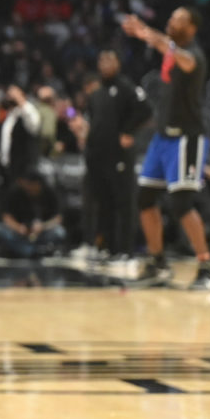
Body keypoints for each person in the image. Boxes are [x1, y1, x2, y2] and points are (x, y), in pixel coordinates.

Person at [121, 7, 210, 290]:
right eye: (171, 17)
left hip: (186, 138)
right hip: (162, 139)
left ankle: (206, 267)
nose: (171, 21)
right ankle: (158, 262)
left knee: (181, 204)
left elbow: (184, 59)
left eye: (178, 20)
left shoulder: (193, 56)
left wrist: (147, 34)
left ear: (191, 28)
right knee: (145, 199)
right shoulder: (173, 53)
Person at [81, 49, 150, 261]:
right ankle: (108, 248)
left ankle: (126, 250)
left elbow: (145, 109)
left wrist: (128, 132)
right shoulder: (97, 93)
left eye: (109, 59)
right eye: (101, 59)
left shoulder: (126, 87)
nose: (105, 63)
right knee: (104, 203)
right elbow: (94, 121)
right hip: (98, 156)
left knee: (125, 203)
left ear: (118, 63)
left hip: (120, 155)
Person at [0, 172, 66, 258]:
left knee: (59, 232)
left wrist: (43, 226)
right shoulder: (16, 193)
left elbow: (58, 218)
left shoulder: (49, 193)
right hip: (19, 232)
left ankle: (29, 250)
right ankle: (30, 251)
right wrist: (18, 227)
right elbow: (6, 217)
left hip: (42, 233)